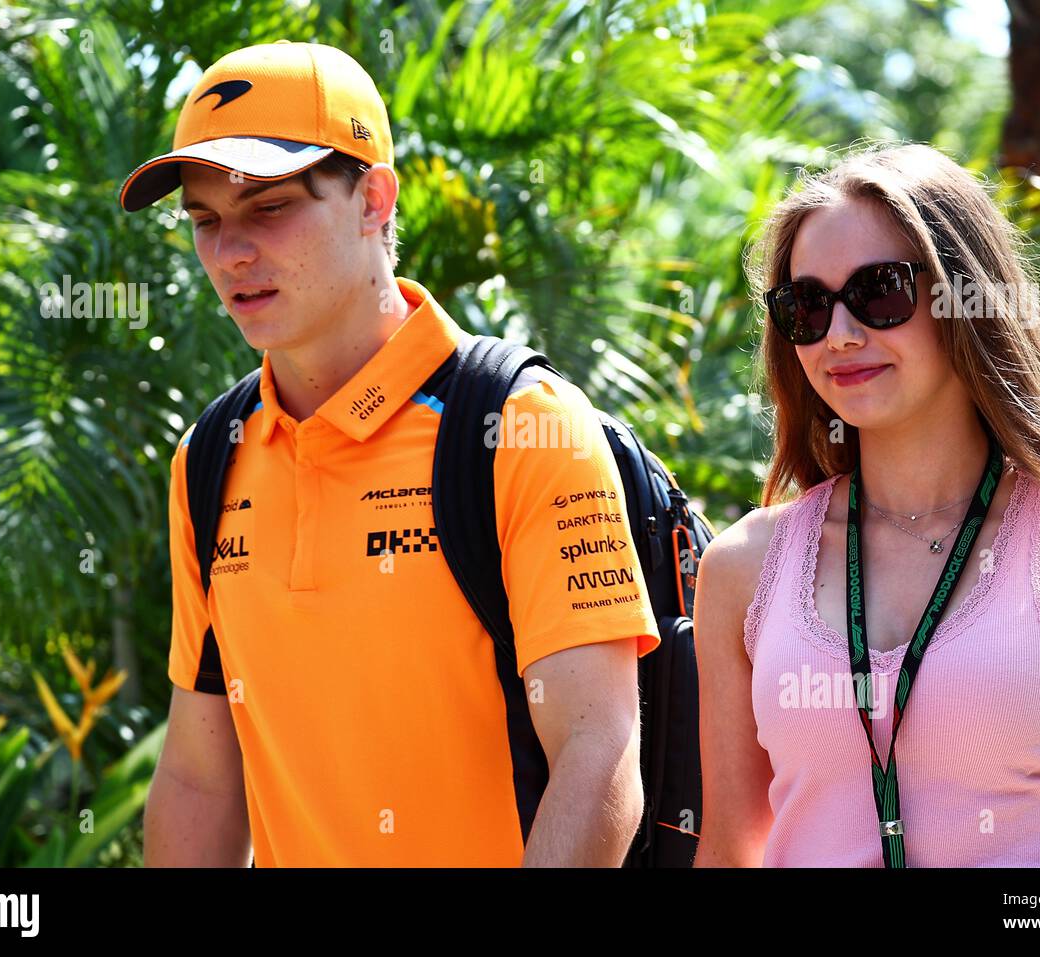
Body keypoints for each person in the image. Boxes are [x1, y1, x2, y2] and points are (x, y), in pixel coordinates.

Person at [119, 41, 659, 866]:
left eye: (268, 208)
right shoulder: (208, 458)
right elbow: (199, 778)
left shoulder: (522, 425)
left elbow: (599, 750)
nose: (229, 253)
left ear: (374, 199)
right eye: (205, 220)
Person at [693, 143, 1040, 867]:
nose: (840, 334)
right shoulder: (741, 569)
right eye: (807, 305)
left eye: (881, 290)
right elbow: (730, 852)